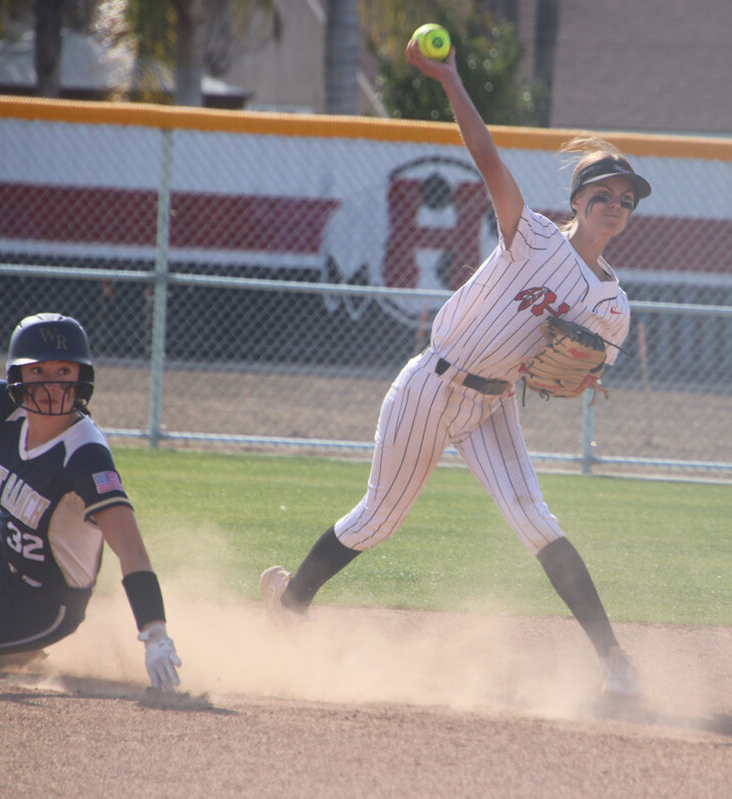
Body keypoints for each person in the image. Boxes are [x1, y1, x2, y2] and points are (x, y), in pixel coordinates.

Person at [260, 35, 652, 699]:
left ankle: (614, 659)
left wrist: (576, 375)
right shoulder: (529, 235)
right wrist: (449, 80)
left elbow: (584, 377)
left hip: (494, 404)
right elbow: (485, 154)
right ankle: (290, 606)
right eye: (604, 195)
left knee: (536, 520)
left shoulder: (614, 303)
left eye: (627, 200)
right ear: (578, 200)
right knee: (376, 520)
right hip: (431, 386)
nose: (616, 207)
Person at [0, 313, 182, 691]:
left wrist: (155, 633)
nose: (50, 383)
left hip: (39, 603)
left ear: (82, 378)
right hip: (2, 547)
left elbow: (131, 550)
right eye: (38, 370)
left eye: (64, 370)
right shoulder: (6, 406)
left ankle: (8, 652)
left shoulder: (85, 455)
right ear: (18, 376)